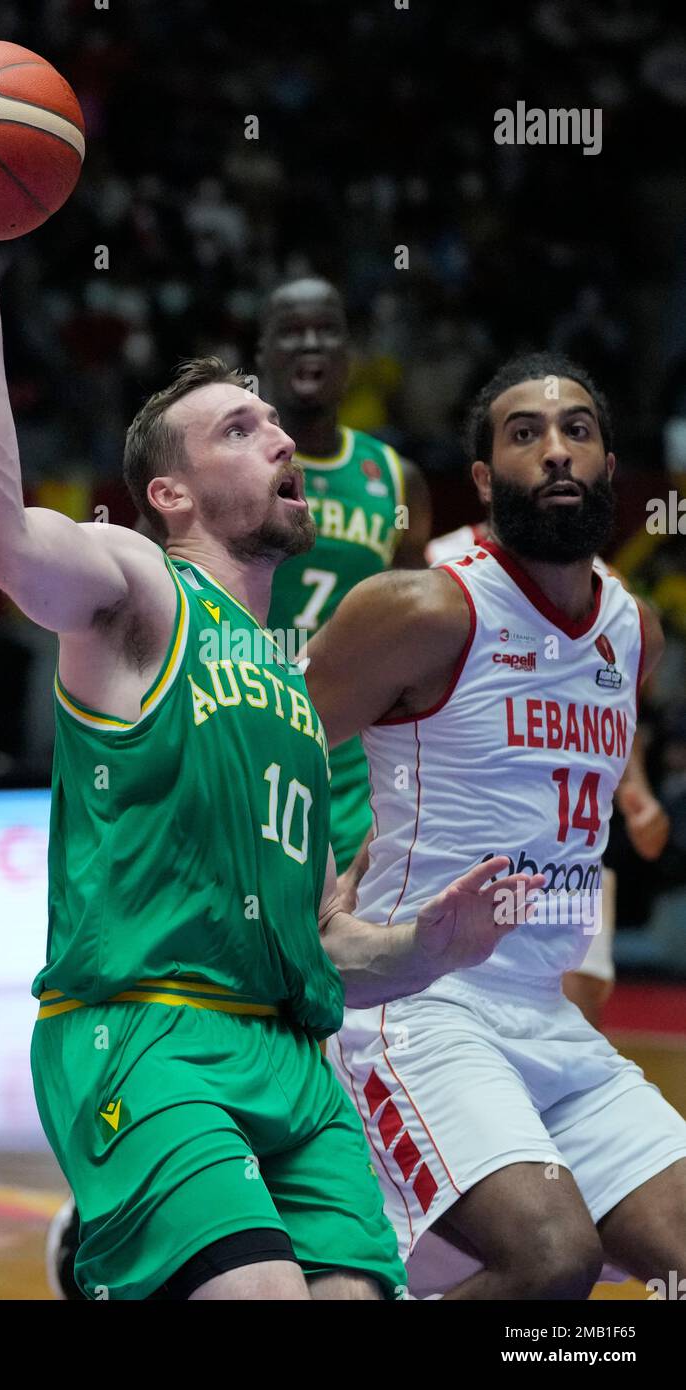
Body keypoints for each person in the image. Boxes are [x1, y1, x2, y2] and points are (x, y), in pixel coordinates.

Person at [0, 143, 540, 1302]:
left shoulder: (295, 698)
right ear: (168, 492)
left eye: (275, 425)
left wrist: (429, 947)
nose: (279, 437)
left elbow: (322, 948)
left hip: (290, 1060)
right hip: (146, 1034)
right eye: (238, 428)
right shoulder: (135, 587)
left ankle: (98, 1266)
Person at [306, 353, 686, 1299]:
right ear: (482, 480)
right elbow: (260, 743)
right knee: (553, 1261)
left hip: (547, 1012)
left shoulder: (635, 632)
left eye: (577, 431)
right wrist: (308, 888)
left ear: (607, 465)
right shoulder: (426, 607)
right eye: (525, 435)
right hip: (419, 1006)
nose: (554, 451)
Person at [426, 525, 671, 1028]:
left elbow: (613, 711)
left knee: (577, 1004)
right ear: (486, 475)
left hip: (571, 849)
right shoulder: (439, 564)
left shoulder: (607, 586)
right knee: (451, 1004)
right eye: (525, 439)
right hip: (466, 844)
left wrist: (637, 792)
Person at [260, 278, 431, 873]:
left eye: (326, 330)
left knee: (351, 949)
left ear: (348, 355)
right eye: (291, 332)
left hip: (356, 756)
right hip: (245, 725)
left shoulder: (395, 476)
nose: (311, 344)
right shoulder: (231, 464)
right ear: (262, 355)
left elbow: (419, 628)